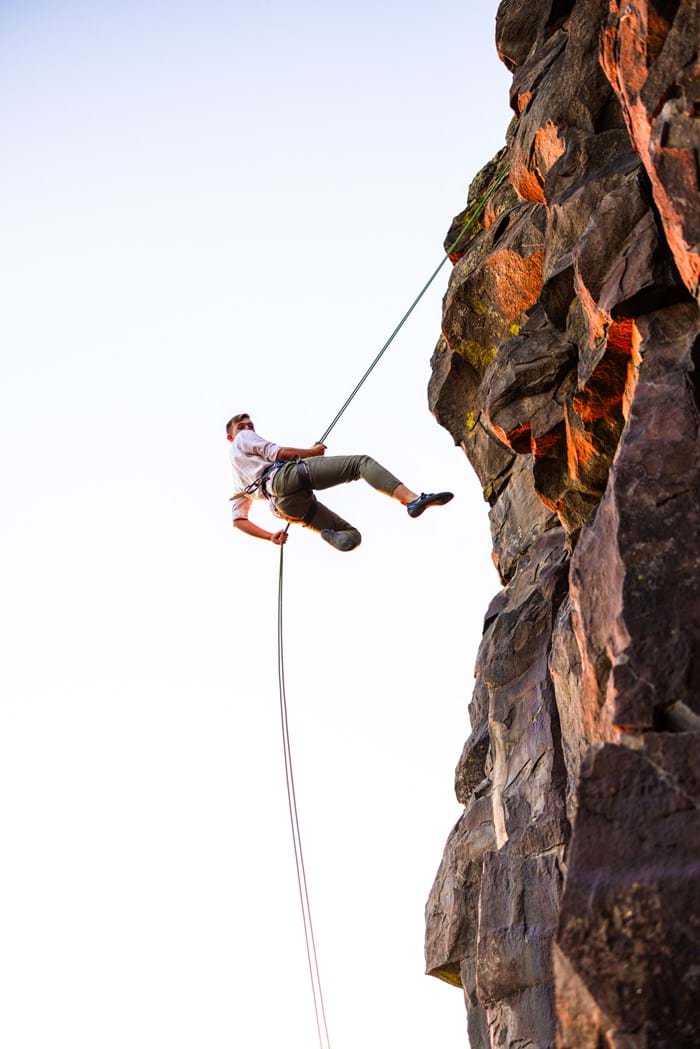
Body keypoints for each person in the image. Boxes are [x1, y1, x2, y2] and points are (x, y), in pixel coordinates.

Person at [226, 412, 453, 551]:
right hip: (284, 478)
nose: (247, 429)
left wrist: (270, 537)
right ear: (231, 436)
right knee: (359, 464)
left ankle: (332, 535)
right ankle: (412, 500)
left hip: (283, 507)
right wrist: (312, 452)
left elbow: (238, 520)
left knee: (351, 534)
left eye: (250, 426)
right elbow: (279, 453)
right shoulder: (243, 439)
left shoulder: (237, 480)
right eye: (241, 426)